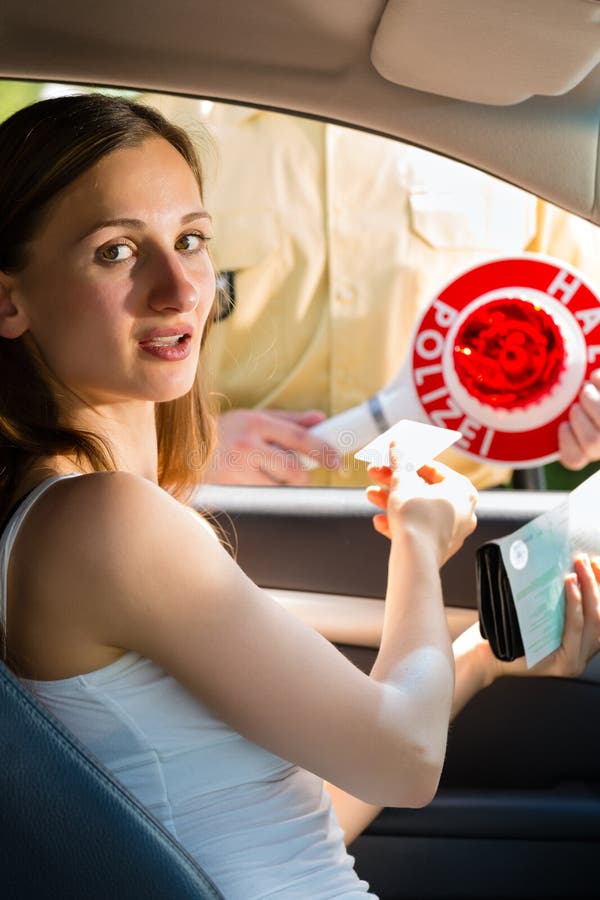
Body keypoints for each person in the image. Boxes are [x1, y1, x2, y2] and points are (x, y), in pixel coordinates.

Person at [0, 94, 599, 899]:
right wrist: (419, 545)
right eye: (115, 252)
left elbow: (286, 821)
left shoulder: (89, 514)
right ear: (10, 299)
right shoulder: (105, 522)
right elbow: (404, 759)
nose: (181, 289)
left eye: (191, 241)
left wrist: (482, 655)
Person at [146, 96, 600, 488]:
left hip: (454, 523)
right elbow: (93, 351)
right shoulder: (164, 131)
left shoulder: (510, 127)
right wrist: (184, 448)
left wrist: (588, 412)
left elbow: (588, 329)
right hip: (221, 530)